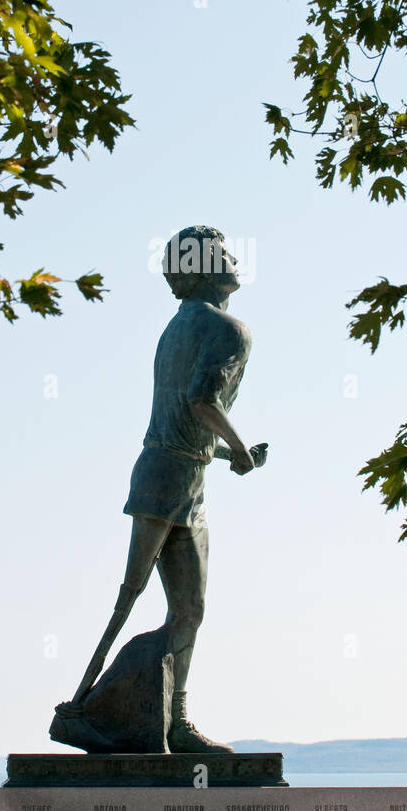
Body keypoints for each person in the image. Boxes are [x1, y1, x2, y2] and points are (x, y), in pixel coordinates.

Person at [71, 224, 259, 753]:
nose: (233, 258)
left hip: (180, 476)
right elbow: (202, 401)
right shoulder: (228, 330)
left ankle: (173, 721)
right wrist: (240, 449)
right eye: (222, 253)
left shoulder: (175, 328)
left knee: (188, 609)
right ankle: (82, 707)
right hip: (167, 478)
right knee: (129, 596)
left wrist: (228, 452)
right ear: (201, 267)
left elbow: (186, 421)